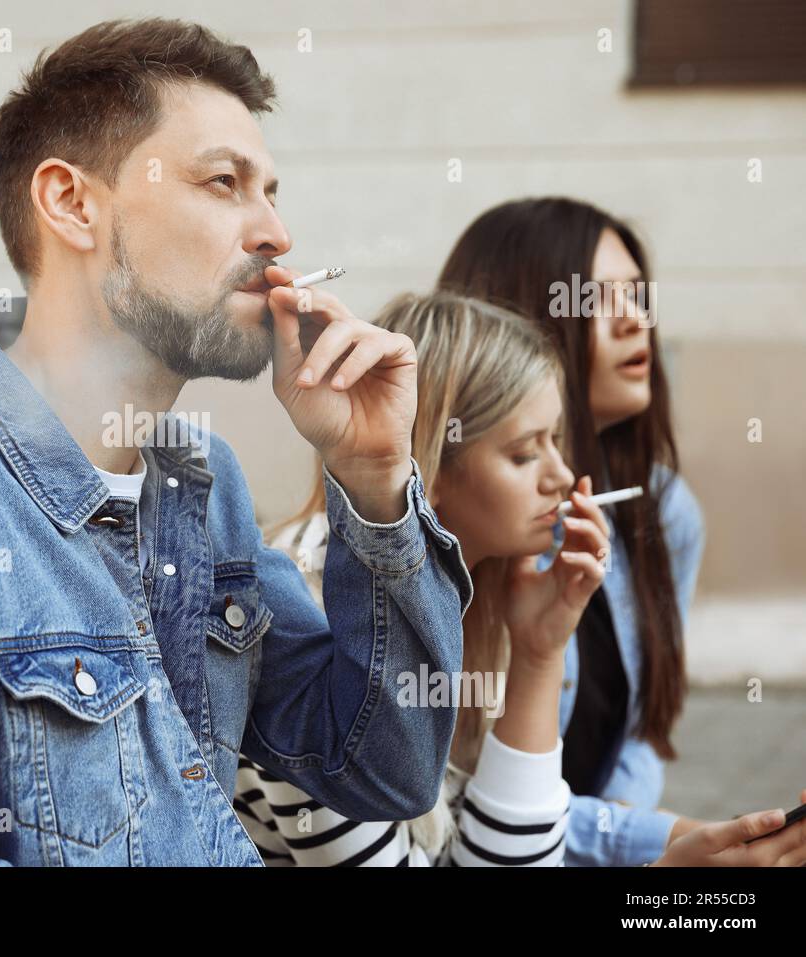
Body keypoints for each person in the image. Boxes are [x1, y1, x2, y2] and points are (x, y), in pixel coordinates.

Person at [0, 18, 470, 866]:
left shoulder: (203, 483)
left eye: (271, 190)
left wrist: (375, 482)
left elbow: (386, 770)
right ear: (73, 203)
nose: (275, 234)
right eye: (224, 182)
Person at [238, 291, 598, 866]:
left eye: (556, 441)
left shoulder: (487, 595)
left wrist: (539, 651)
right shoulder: (311, 601)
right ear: (432, 457)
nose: (562, 476)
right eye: (525, 454)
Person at [436, 197, 703, 866]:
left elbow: (642, 732)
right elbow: (453, 797)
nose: (634, 320)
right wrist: (658, 842)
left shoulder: (664, 509)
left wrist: (642, 835)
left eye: (637, 296)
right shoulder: (473, 535)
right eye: (598, 299)